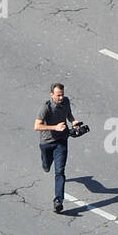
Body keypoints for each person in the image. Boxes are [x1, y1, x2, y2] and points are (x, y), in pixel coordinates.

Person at [35, 83, 83, 215]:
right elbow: (37, 126)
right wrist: (54, 127)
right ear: (52, 95)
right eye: (58, 95)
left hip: (62, 141)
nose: (61, 97)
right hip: (46, 142)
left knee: (60, 171)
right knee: (46, 165)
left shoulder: (66, 101)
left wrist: (73, 122)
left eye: (62, 94)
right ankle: (45, 164)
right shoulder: (46, 108)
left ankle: (58, 201)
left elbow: (68, 114)